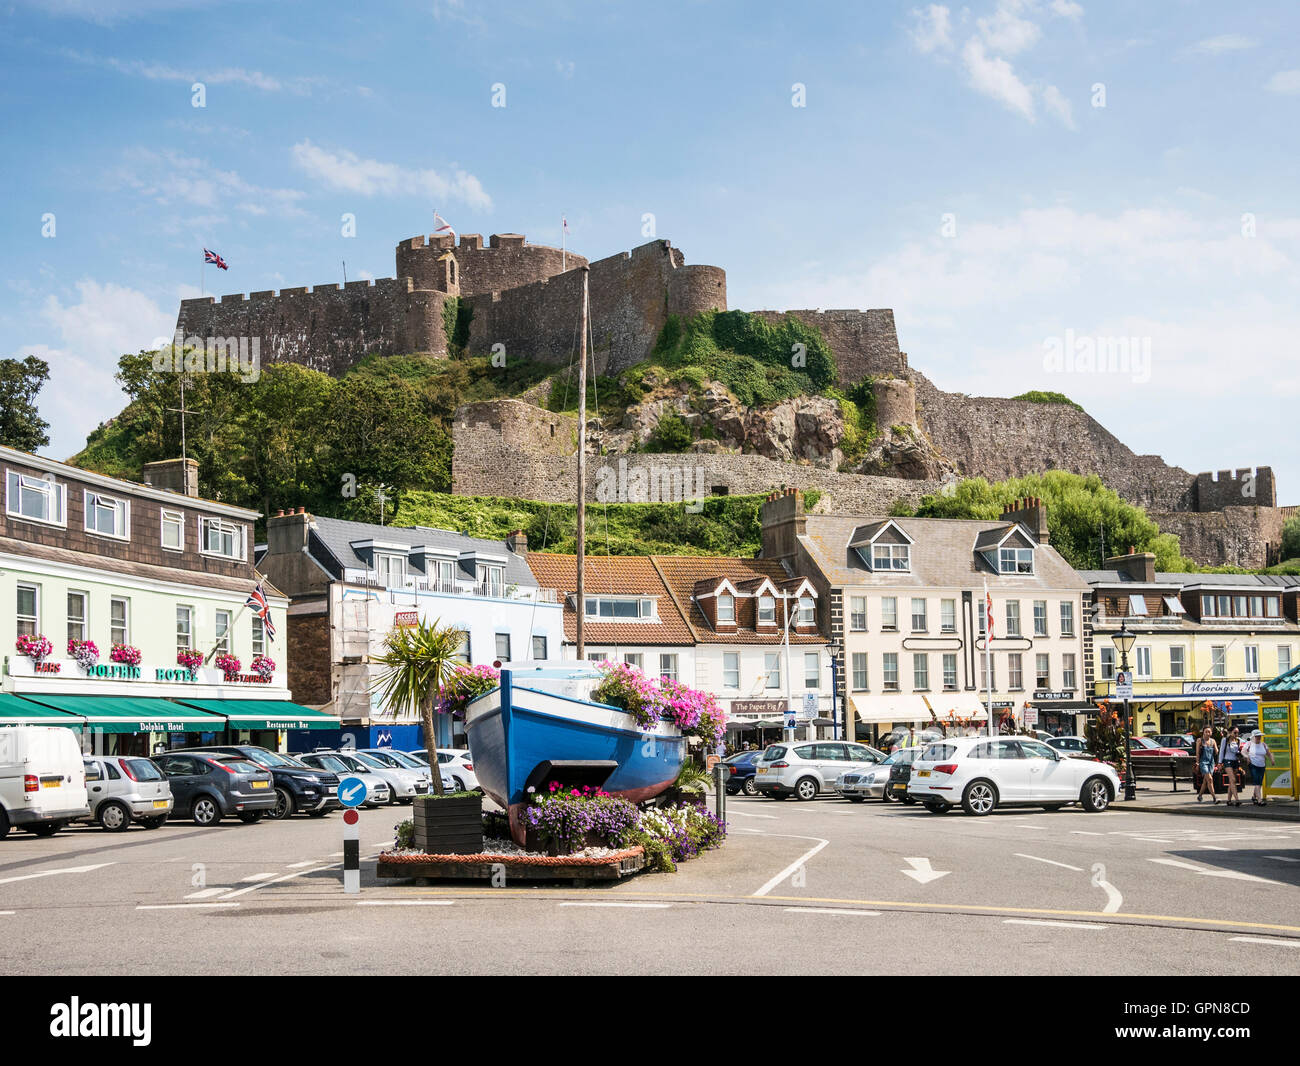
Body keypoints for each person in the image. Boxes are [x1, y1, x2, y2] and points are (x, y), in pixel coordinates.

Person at [1244, 730, 1274, 806]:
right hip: (1253, 765)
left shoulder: (1263, 744)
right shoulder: (1249, 744)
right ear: (1253, 737)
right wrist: (1247, 757)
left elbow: (1269, 753)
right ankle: (1260, 800)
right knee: (1257, 782)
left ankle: (1254, 797)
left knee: (1259, 783)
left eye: (1260, 736)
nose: (1259, 737)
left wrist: (1272, 760)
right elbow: (1243, 751)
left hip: (1262, 765)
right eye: (1257, 736)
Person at [1195, 726, 1219, 804]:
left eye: (1209, 732)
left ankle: (1200, 796)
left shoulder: (1213, 741)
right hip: (1203, 762)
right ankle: (1215, 798)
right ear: (1203, 732)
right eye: (1206, 731)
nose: (1208, 733)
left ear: (1211, 733)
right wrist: (1198, 763)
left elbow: (1216, 752)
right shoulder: (1199, 740)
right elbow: (1197, 753)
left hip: (1211, 763)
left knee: (1206, 781)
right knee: (1210, 779)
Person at [1221, 727, 1242, 807]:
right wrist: (1220, 763)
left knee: (1231, 781)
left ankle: (1229, 800)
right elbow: (1221, 752)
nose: (1236, 734)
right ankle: (1237, 799)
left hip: (1235, 761)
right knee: (1233, 779)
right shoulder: (1225, 740)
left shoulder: (1238, 740)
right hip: (1227, 761)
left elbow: (1238, 751)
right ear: (1230, 732)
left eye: (1237, 733)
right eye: (1235, 732)